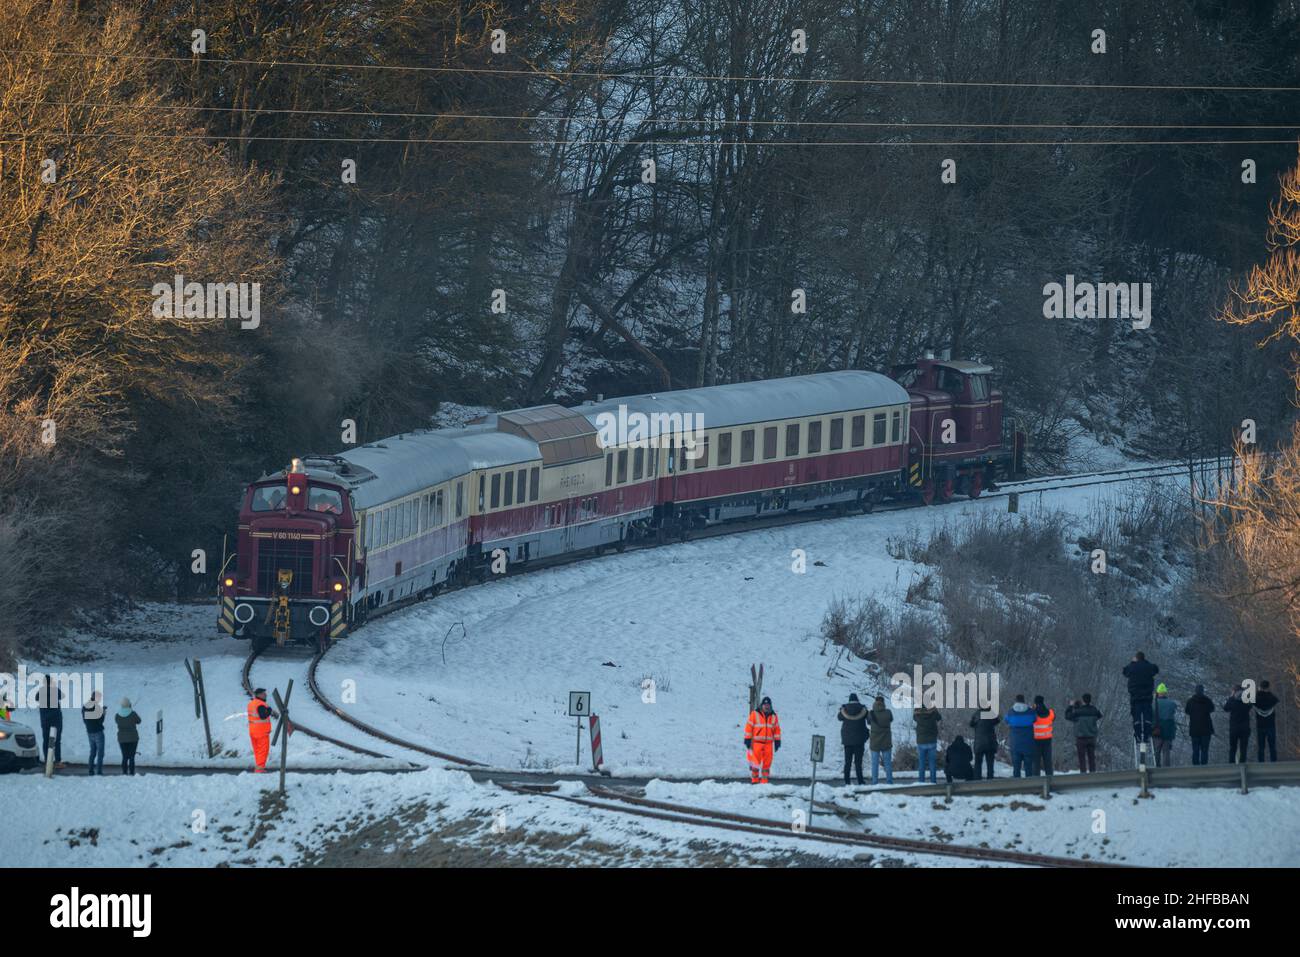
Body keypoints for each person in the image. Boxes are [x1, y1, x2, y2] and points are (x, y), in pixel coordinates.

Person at [1123, 652, 1159, 746]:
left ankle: (1138, 736)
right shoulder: (1149, 666)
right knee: (1147, 717)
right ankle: (1147, 735)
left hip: (1135, 697)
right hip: (1147, 697)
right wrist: (1146, 662)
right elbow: (1156, 669)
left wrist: (1132, 662)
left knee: (1136, 717)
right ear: (1144, 658)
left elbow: (1125, 671)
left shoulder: (1132, 666)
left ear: (1136, 658)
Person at [1064, 694, 1102, 773]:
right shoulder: (1094, 710)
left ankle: (1083, 775)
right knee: (1092, 758)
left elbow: (1067, 716)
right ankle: (1093, 775)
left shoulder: (1078, 712)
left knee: (1082, 759)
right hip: (1092, 737)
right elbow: (1099, 715)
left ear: (1083, 701)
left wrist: (1071, 706)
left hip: (1081, 738)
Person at [837, 693, 869, 786]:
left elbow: (839, 717)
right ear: (857, 699)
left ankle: (847, 781)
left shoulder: (844, 710)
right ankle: (860, 781)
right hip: (859, 740)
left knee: (848, 762)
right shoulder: (863, 710)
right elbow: (869, 719)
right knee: (858, 763)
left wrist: (841, 709)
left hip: (847, 741)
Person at [36, 675, 66, 769]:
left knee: (46, 740)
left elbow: (36, 698)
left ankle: (47, 760)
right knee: (56, 741)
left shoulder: (41, 691)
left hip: (45, 719)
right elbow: (63, 696)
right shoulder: (55, 690)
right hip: (56, 719)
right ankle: (57, 761)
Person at [1005, 695, 1036, 777]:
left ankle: (1017, 787)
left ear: (1015, 701)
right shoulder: (1030, 712)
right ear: (1024, 701)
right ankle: (1029, 787)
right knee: (1028, 768)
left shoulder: (1010, 712)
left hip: (1015, 744)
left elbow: (1006, 720)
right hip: (1028, 743)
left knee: (1016, 768)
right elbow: (1035, 719)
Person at [1184, 684, 1215, 766]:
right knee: (1205, 750)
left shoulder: (1190, 701)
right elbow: (1212, 709)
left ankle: (1195, 767)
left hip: (1194, 729)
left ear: (1195, 691)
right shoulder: (1207, 700)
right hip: (1206, 728)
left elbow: (1187, 711)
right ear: (1203, 691)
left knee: (1195, 749)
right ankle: (1204, 767)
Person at [248, 688, 277, 774]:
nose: (266, 695)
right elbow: (263, 716)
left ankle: (258, 767)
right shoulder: (260, 704)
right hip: (261, 732)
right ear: (259, 695)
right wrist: (269, 710)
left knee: (257, 751)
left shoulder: (251, 703)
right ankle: (260, 769)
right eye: (264, 694)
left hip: (253, 731)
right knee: (263, 751)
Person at [913, 703, 942, 784]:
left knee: (921, 764)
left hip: (921, 742)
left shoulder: (918, 714)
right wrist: (935, 709)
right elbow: (939, 718)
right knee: (932, 763)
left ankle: (921, 782)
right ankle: (933, 782)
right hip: (932, 741)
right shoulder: (933, 713)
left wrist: (916, 710)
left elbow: (914, 717)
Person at [868, 695, 894, 784]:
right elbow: (891, 719)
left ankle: (875, 782)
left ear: (875, 702)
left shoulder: (871, 713)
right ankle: (889, 782)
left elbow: (868, 722)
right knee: (887, 764)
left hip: (875, 742)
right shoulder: (888, 712)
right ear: (883, 703)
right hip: (886, 742)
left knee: (874, 764)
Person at [1223, 685, 1252, 764]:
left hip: (1234, 728)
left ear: (1234, 691)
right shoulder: (1246, 701)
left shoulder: (1233, 702)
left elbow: (1225, 708)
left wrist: (1231, 697)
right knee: (1243, 748)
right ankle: (1242, 764)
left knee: (1233, 747)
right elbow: (1250, 706)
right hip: (1245, 728)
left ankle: (1231, 764)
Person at [969, 709, 1001, 779]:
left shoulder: (976, 714)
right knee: (990, 763)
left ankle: (977, 780)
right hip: (990, 743)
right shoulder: (990, 714)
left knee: (978, 763)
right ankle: (990, 780)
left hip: (979, 743)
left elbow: (971, 724)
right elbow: (997, 720)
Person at [1152, 684, 1177, 767]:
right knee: (1166, 752)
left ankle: (1157, 768)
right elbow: (1173, 713)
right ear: (1165, 693)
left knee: (1156, 751)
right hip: (1168, 731)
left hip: (1156, 730)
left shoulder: (1153, 703)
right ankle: (1166, 770)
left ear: (1157, 693)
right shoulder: (1172, 703)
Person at [1254, 681, 1279, 763]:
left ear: (1260, 687)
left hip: (1260, 725)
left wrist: (1258, 692)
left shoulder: (1256, 698)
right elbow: (1276, 700)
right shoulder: (1272, 698)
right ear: (1268, 687)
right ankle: (1274, 763)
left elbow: (1251, 702)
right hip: (1271, 725)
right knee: (1272, 746)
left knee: (1261, 747)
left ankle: (1261, 763)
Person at [82, 692, 106, 776]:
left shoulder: (85, 706)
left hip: (89, 732)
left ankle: (90, 770)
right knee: (100, 752)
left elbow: (85, 720)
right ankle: (99, 771)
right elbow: (100, 721)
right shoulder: (97, 707)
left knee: (92, 751)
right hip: (98, 731)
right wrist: (103, 713)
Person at [116, 698, 141, 775]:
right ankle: (132, 773)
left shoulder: (117, 715)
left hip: (122, 739)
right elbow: (139, 721)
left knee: (124, 756)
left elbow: (116, 721)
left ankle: (124, 772)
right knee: (131, 757)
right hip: (133, 738)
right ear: (129, 705)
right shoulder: (133, 714)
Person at [1032, 695, 1055, 777]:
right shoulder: (1051, 713)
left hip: (1036, 741)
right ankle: (1050, 781)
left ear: (1035, 703)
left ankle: (1036, 782)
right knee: (1048, 762)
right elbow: (1053, 717)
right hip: (1047, 740)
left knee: (1036, 762)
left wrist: (1033, 708)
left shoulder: (1033, 713)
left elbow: (1031, 719)